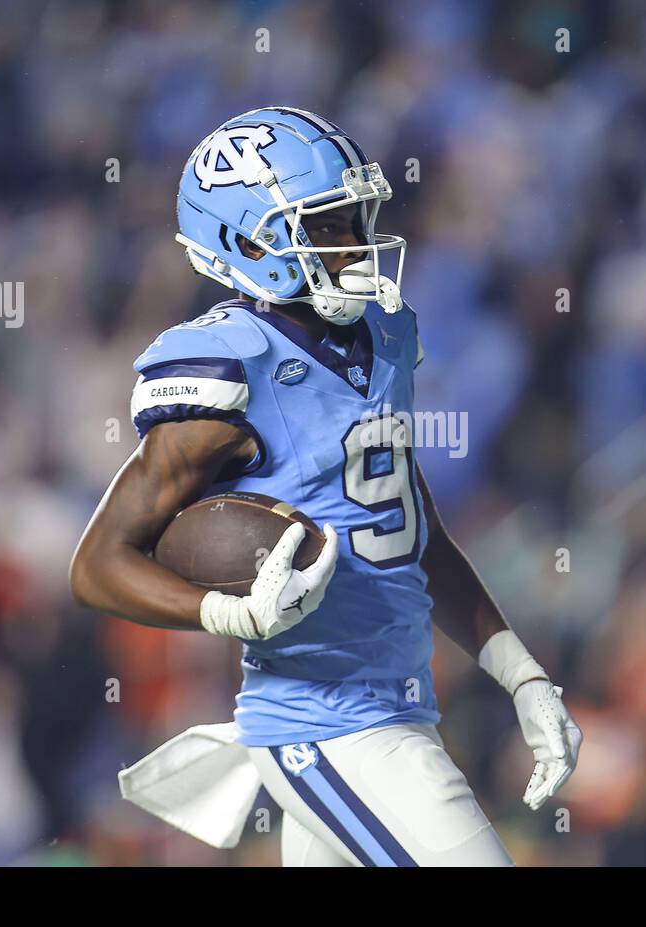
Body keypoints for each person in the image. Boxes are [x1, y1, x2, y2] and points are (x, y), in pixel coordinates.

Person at [70, 106, 581, 866]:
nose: (356, 245)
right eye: (328, 226)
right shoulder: (229, 366)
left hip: (399, 708)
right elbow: (97, 565)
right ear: (248, 244)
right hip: (324, 724)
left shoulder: (385, 334)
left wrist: (521, 673)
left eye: (355, 218)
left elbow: (413, 533)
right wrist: (224, 612)